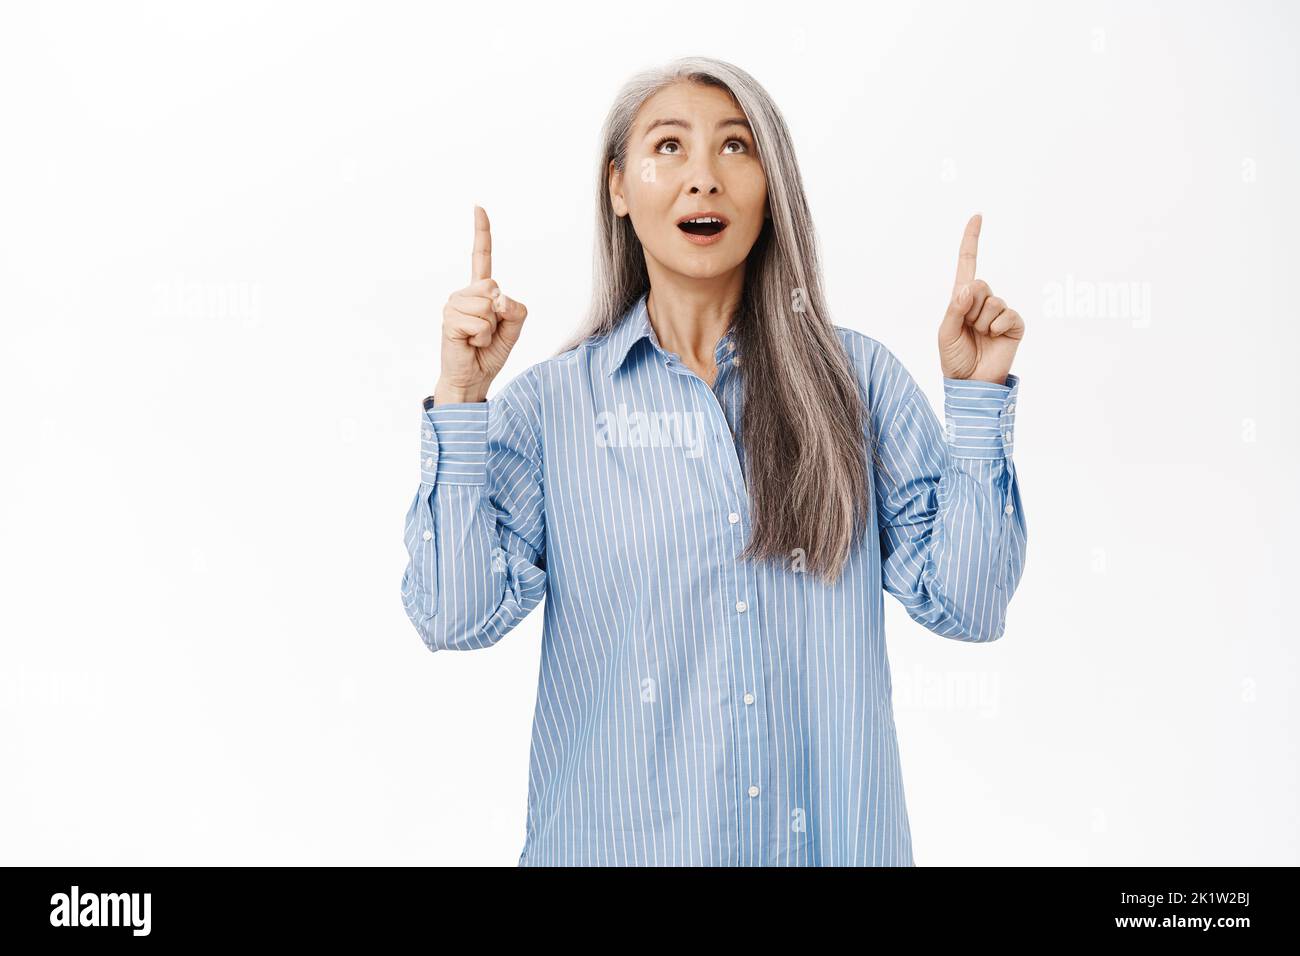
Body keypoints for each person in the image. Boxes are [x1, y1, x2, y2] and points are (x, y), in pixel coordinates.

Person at [401, 56, 1027, 866]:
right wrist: (460, 402)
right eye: (669, 146)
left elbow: (970, 605)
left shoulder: (858, 384)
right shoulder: (549, 410)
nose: (703, 177)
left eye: (735, 147)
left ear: (772, 189)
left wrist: (976, 402)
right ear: (619, 189)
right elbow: (452, 615)